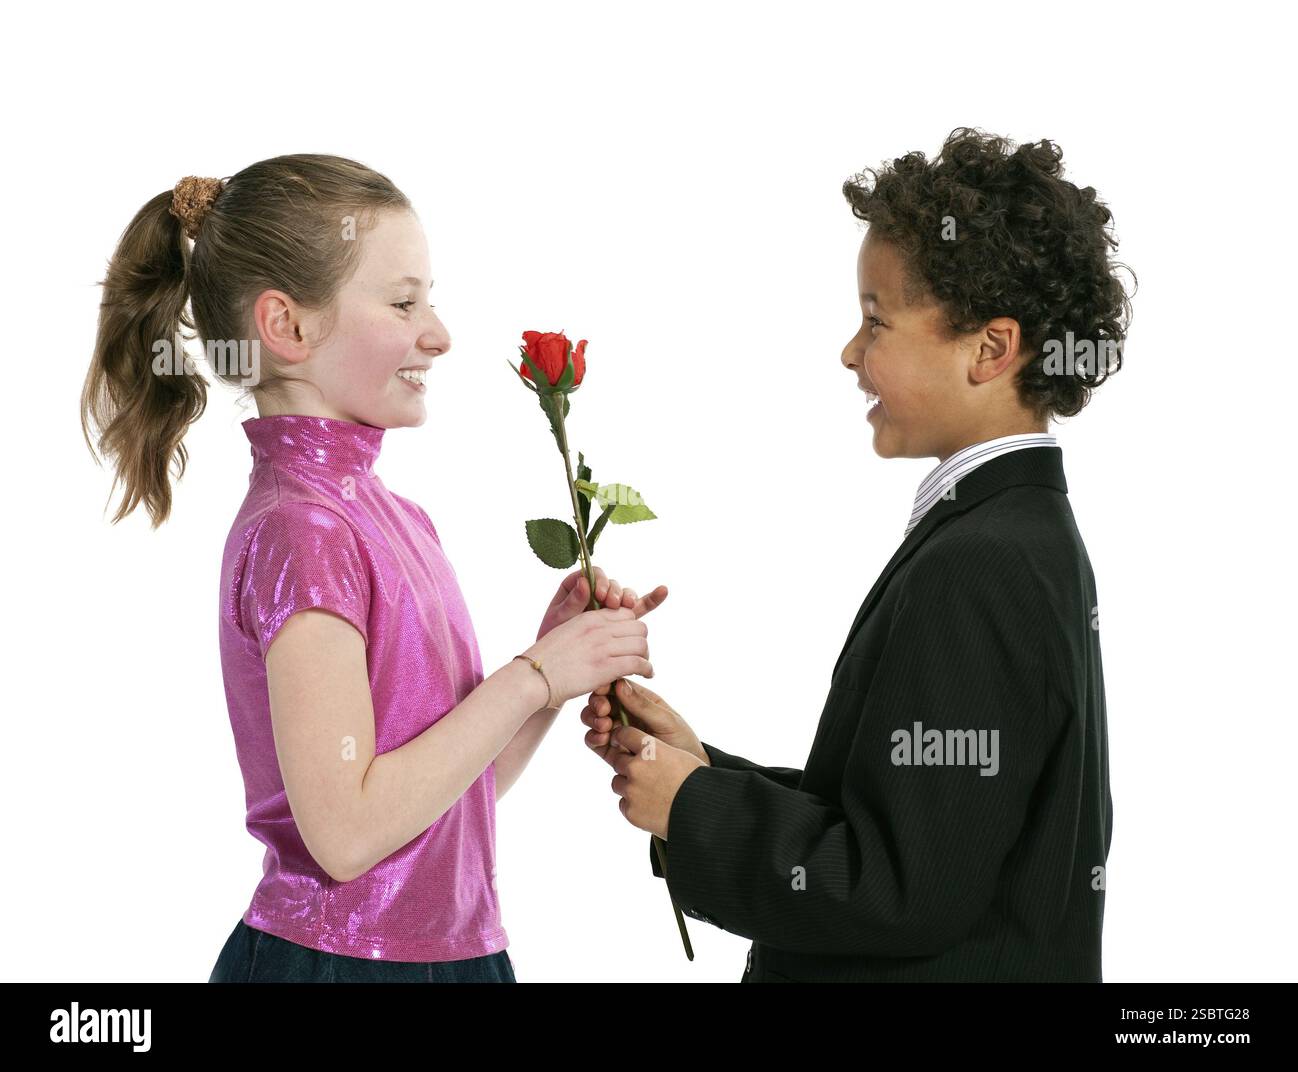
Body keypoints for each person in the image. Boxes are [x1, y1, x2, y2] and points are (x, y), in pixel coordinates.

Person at [80, 154, 664, 982]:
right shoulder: (303, 530)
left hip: (450, 960)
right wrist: (534, 676)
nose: (439, 332)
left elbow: (437, 806)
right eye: (403, 302)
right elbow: (348, 835)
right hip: (341, 967)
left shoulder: (391, 518)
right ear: (286, 327)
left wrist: (552, 672)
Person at [581, 127, 1130, 982]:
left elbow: (900, 891)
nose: (849, 351)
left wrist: (694, 811)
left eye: (876, 320)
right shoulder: (1010, 534)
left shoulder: (982, 563)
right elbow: (917, 822)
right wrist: (701, 768)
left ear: (991, 348)